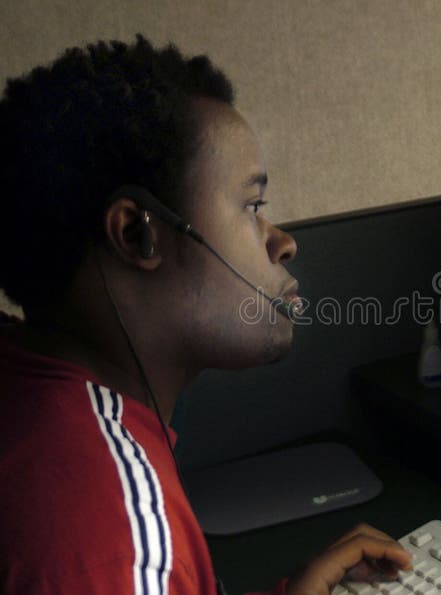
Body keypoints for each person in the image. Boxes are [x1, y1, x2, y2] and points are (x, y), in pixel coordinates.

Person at [0, 36, 411, 594]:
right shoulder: (116, 538)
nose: (283, 243)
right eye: (253, 208)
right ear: (138, 235)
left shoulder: (30, 390)